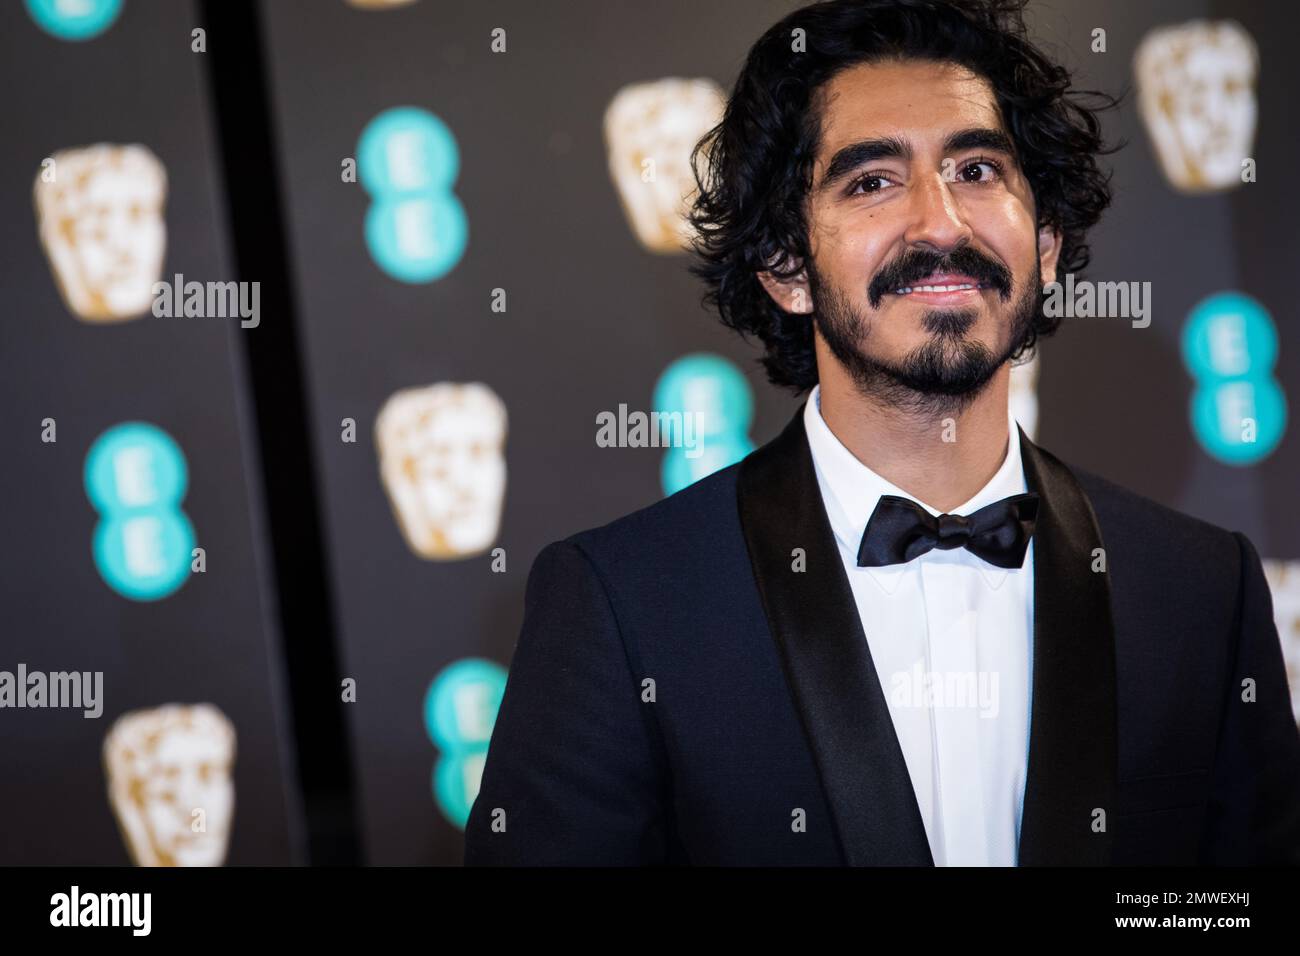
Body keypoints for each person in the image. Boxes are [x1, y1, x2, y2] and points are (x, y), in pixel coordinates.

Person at [465, 0, 1300, 865]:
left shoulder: (1202, 588)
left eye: (977, 170)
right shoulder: (623, 603)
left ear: (1046, 248)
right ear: (786, 268)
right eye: (872, 181)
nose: (941, 222)